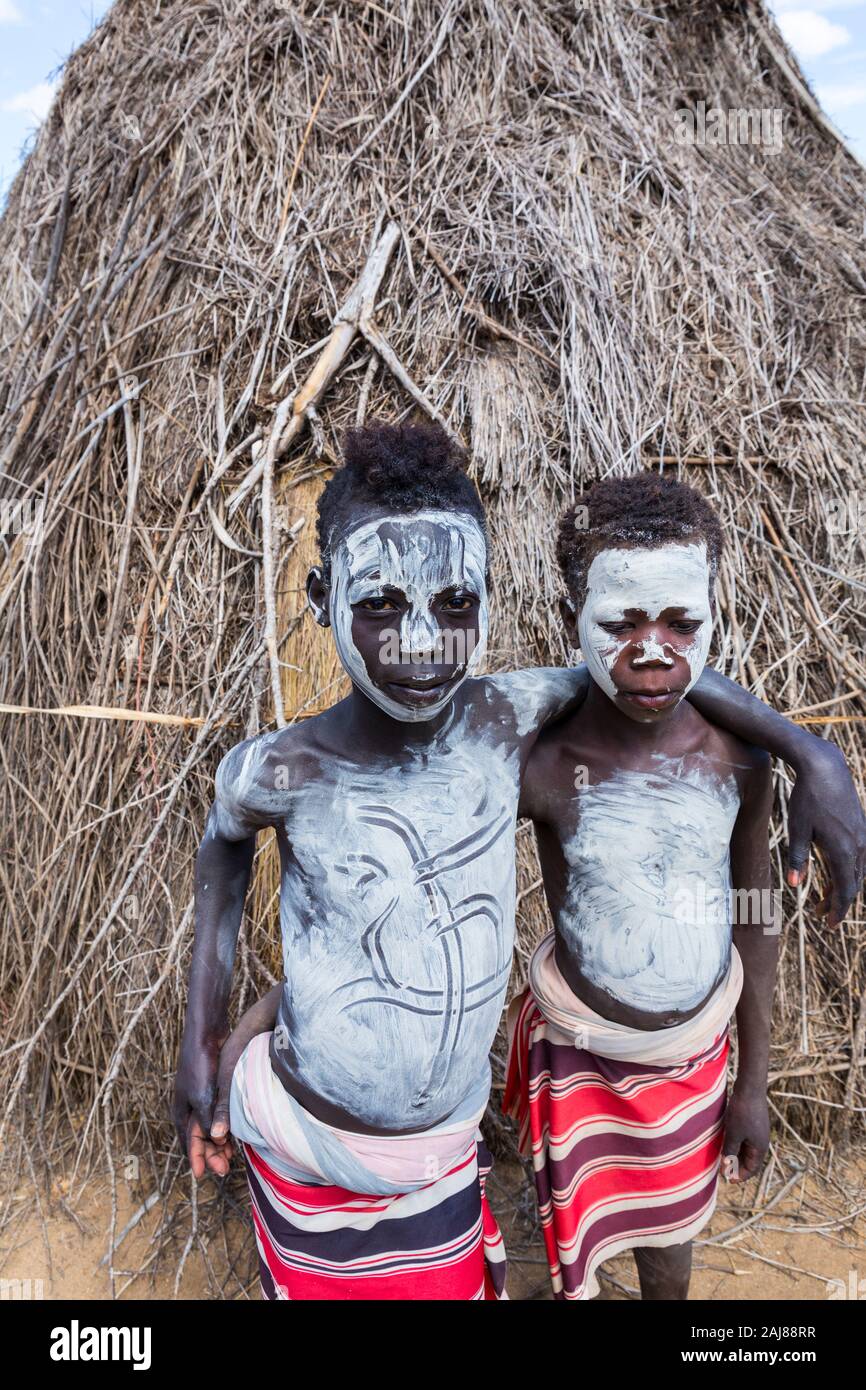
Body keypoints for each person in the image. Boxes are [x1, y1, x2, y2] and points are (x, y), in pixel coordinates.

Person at [174, 421, 866, 1301]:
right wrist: (205, 1038)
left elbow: (659, 676)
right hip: (316, 1134)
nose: (421, 642)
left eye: (456, 604)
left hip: (485, 1140)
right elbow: (224, 845)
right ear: (319, 597)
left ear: (490, 597)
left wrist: (813, 753)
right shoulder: (299, 765)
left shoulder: (534, 727)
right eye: (381, 603)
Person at [505, 473, 787, 1299]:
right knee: (575, 1242)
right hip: (579, 1060)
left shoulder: (739, 760)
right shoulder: (544, 768)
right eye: (619, 623)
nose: (654, 649)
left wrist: (754, 1083)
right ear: (571, 623)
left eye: (681, 621)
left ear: (714, 615)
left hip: (692, 1062)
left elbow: (755, 915)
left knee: (670, 1254)